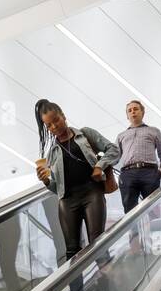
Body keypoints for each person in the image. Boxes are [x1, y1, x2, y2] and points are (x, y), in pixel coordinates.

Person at [34, 100, 121, 262]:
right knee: (72, 250)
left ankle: (107, 282)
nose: (54, 127)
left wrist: (100, 166)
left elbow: (114, 149)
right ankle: (76, 288)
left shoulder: (85, 134)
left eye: (56, 120)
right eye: (49, 125)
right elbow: (57, 188)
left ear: (63, 116)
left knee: (97, 241)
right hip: (67, 201)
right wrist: (46, 181)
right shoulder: (52, 153)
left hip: (92, 192)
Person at [115, 100, 161, 213]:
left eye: (136, 109)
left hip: (150, 172)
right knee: (129, 212)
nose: (133, 112)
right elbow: (114, 155)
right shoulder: (121, 136)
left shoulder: (154, 131)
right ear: (127, 116)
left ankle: (156, 231)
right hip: (128, 174)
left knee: (153, 210)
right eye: (129, 110)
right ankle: (134, 231)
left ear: (142, 112)